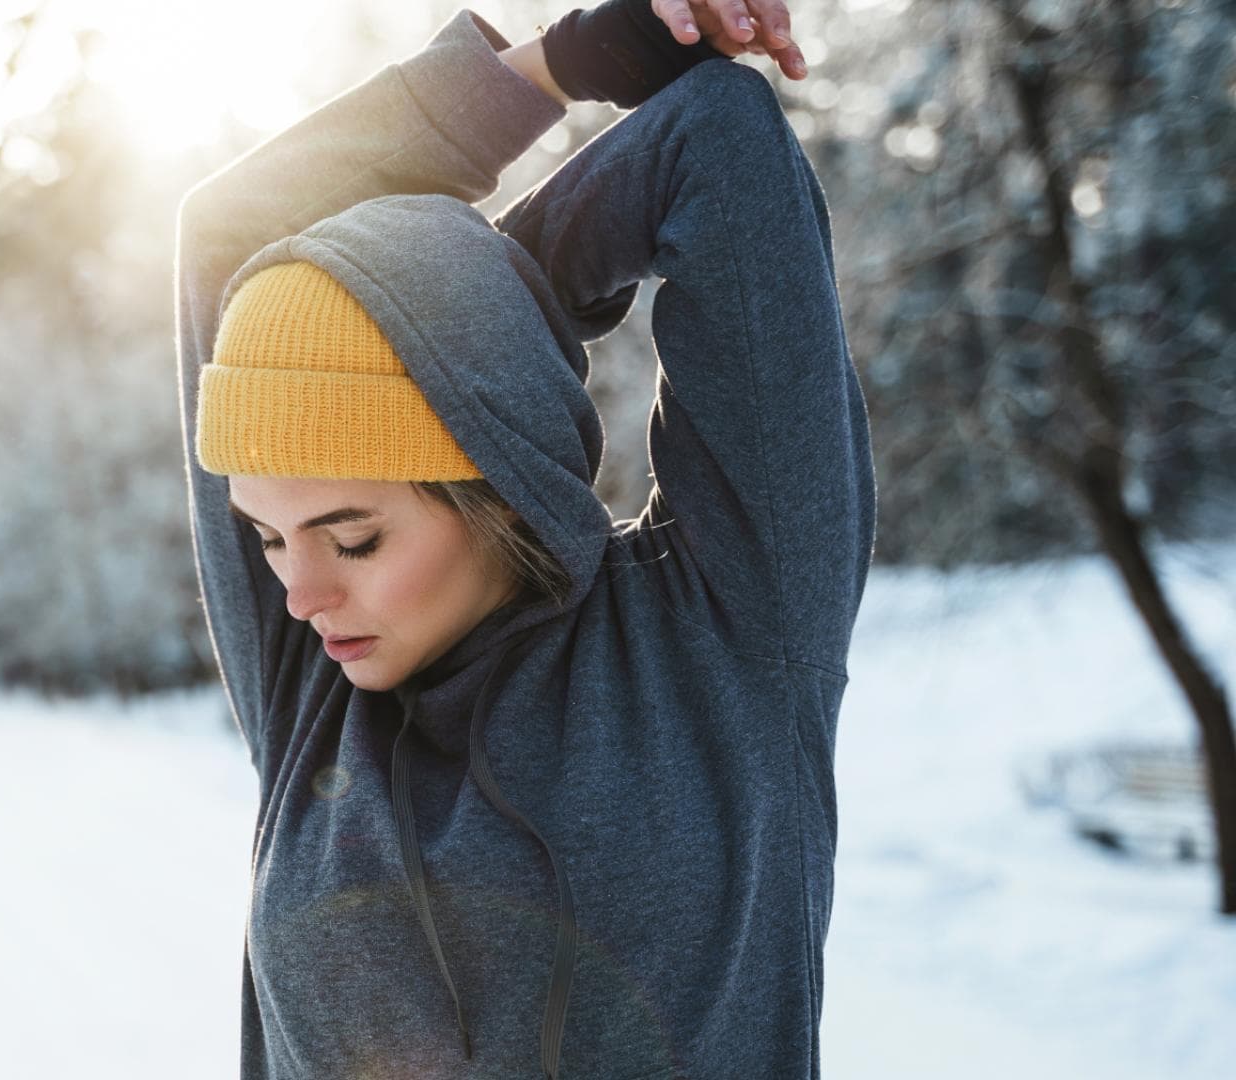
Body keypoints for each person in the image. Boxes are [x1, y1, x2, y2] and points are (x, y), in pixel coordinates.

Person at [172, 1, 873, 1076]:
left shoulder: (725, 638)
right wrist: (550, 67)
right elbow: (228, 240)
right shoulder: (315, 704)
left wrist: (488, 311)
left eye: (352, 539)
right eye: (264, 537)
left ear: (497, 487)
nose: (298, 595)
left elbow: (719, 145)